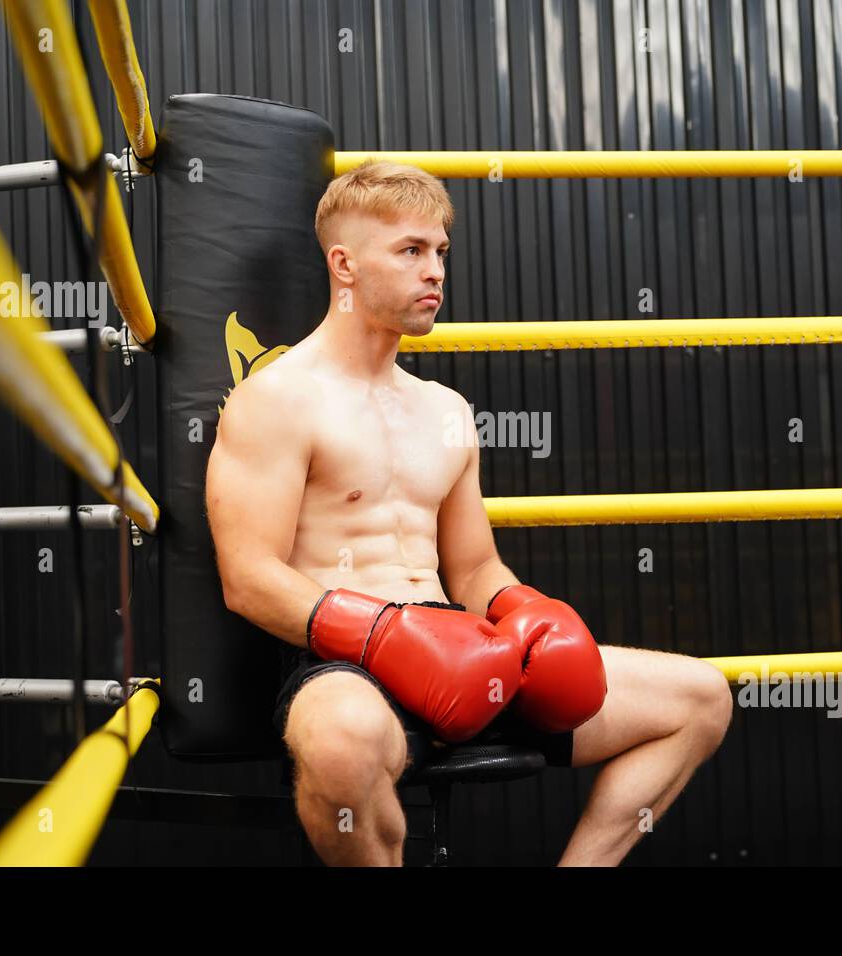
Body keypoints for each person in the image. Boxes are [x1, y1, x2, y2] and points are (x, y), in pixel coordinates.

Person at [205, 160, 733, 866]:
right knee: (339, 745)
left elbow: (475, 566)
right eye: (411, 251)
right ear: (345, 265)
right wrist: (386, 636)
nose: (435, 272)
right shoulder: (276, 400)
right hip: (342, 665)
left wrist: (526, 610)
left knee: (700, 699)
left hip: (464, 652)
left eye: (441, 253)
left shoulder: (444, 410)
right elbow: (248, 577)